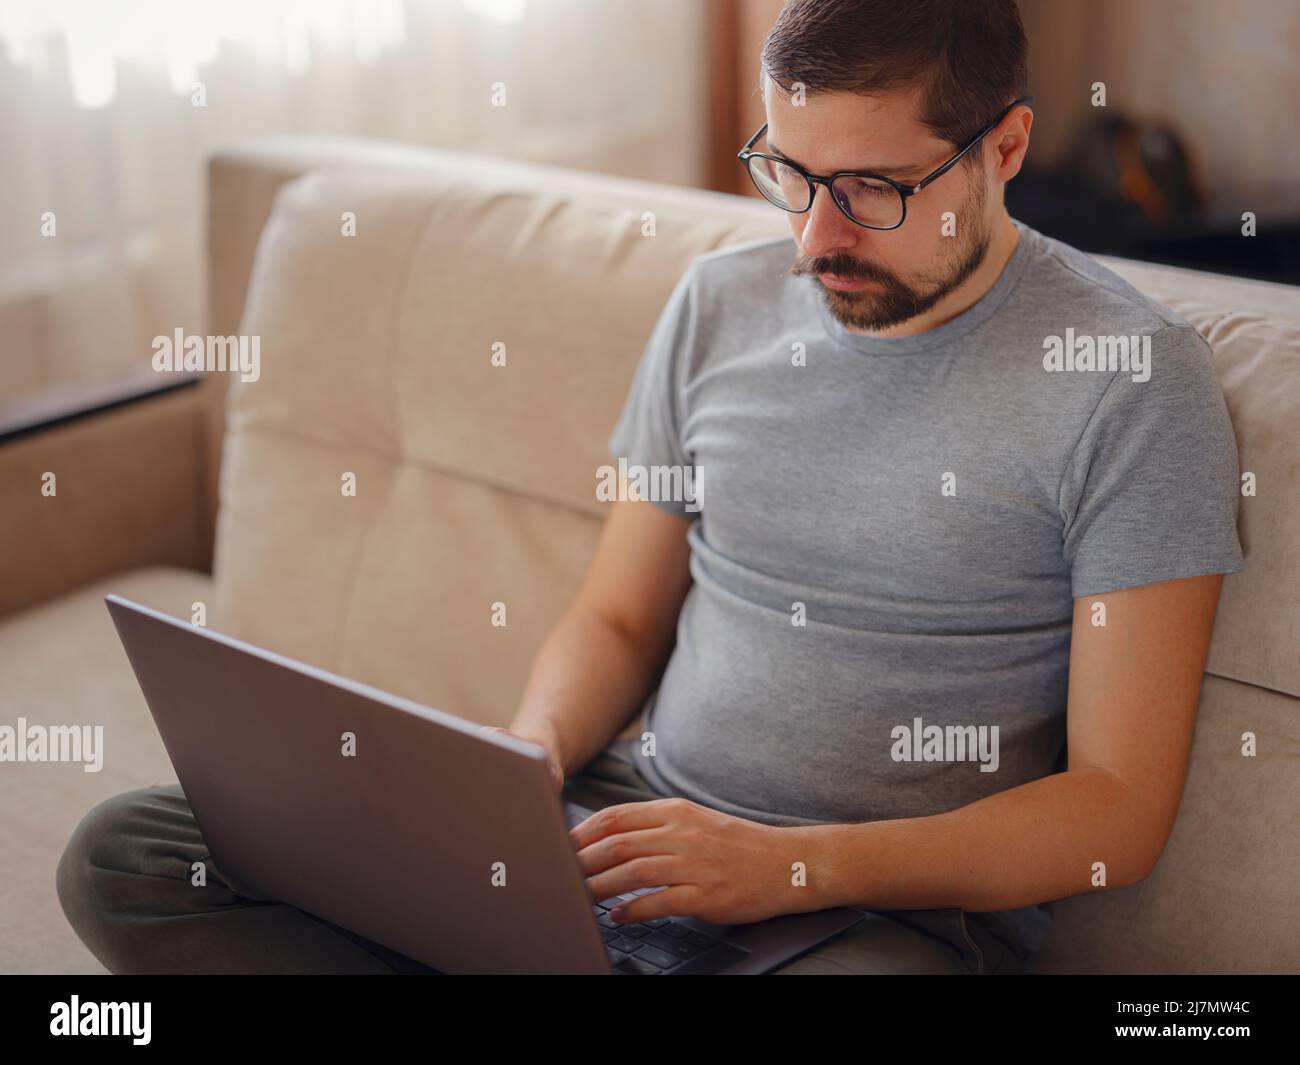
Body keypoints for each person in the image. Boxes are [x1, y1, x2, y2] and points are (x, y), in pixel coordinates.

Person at [57, 0, 1242, 975]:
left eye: (871, 190)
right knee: (132, 853)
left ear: (1006, 148)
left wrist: (788, 866)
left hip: (870, 913)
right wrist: (524, 768)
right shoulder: (716, 304)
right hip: (634, 818)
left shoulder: (1129, 379)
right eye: (788, 171)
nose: (814, 238)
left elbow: (1115, 810)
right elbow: (621, 614)